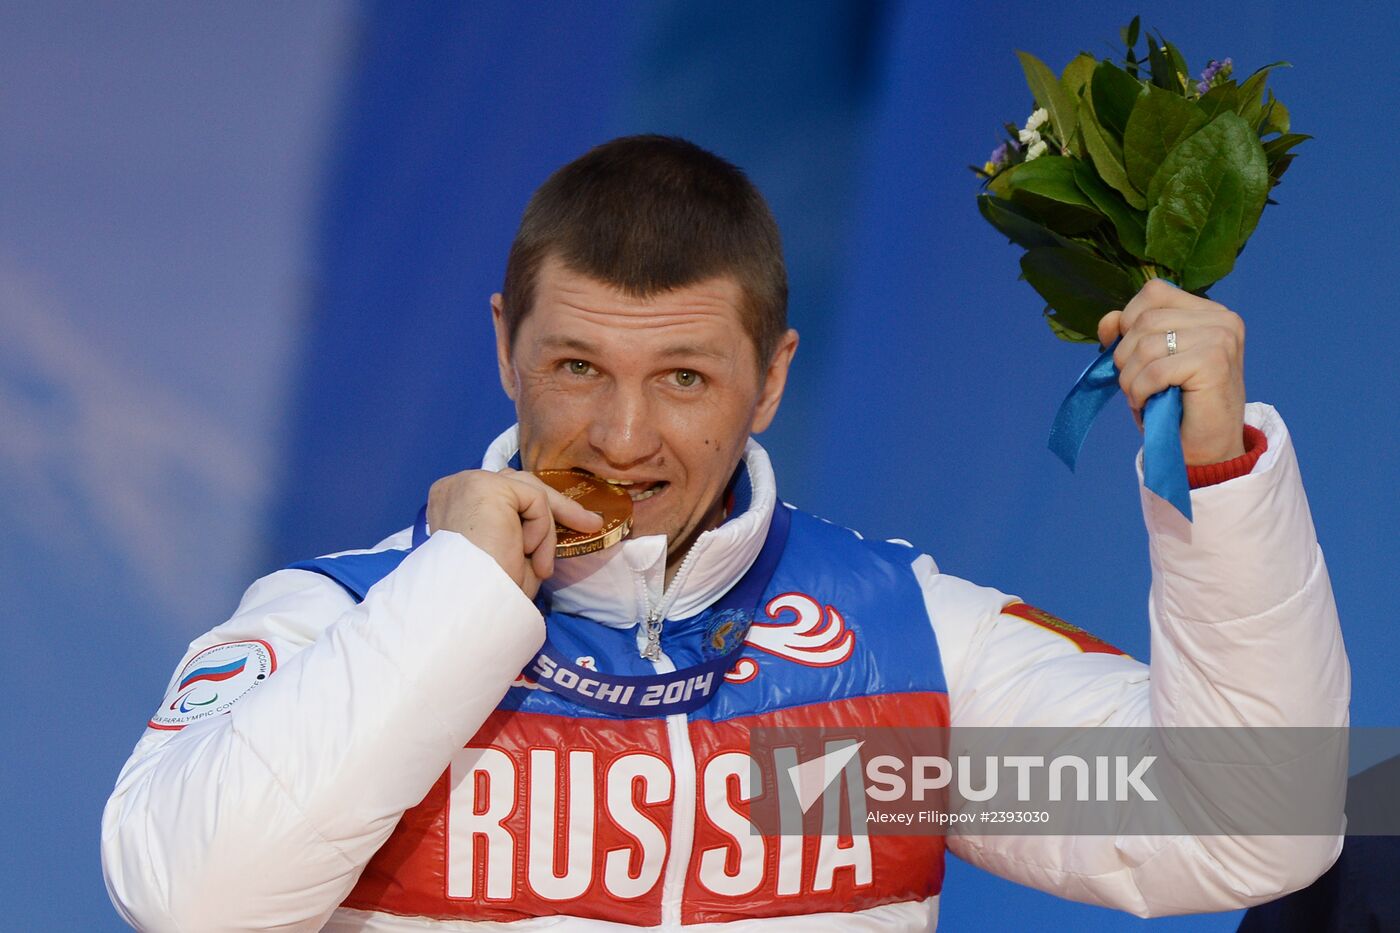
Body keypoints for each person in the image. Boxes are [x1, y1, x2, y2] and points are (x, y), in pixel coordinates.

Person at [101, 135, 1349, 931]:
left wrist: (1218, 472)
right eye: (577, 364)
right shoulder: (342, 619)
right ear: (503, 349)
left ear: (769, 379)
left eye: (685, 380)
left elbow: (1250, 824)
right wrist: (459, 598)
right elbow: (191, 900)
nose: (623, 436)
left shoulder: (893, 654)